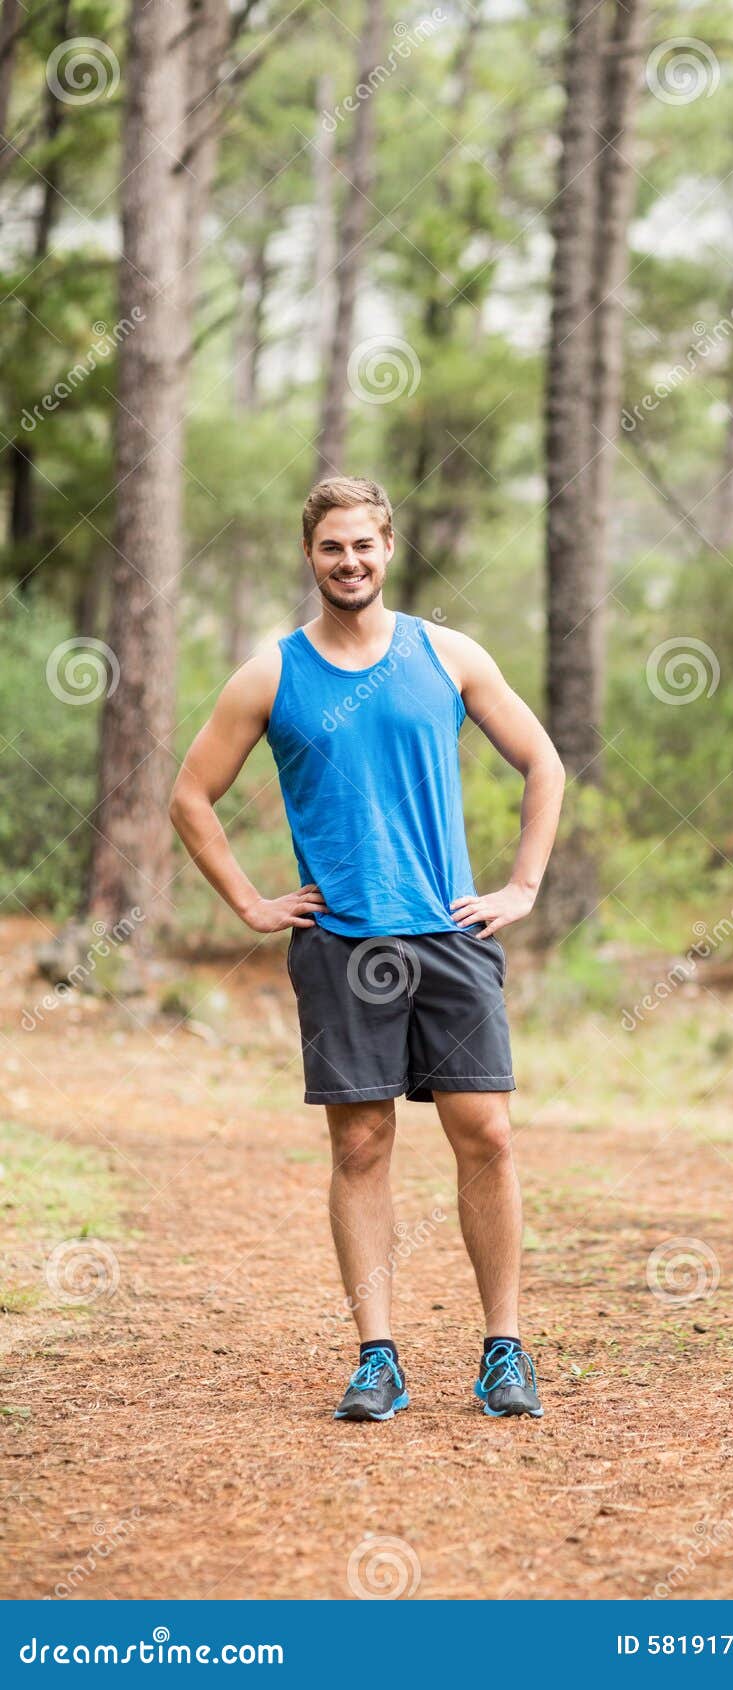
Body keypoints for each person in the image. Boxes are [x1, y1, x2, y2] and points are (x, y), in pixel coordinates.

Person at [170, 476, 565, 1422]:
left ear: (388, 550)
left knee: (489, 1137)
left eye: (364, 546)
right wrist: (251, 904)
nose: (349, 562)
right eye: (330, 548)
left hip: (449, 935)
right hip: (340, 943)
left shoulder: (447, 655)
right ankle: (376, 1356)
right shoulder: (272, 675)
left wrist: (521, 888)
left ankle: (503, 1351)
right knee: (360, 1143)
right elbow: (190, 796)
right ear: (309, 556)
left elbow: (543, 762)